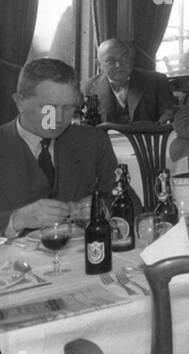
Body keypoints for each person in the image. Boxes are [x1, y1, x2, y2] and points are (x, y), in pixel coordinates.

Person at [1, 58, 116, 238]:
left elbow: (128, 200)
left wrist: (103, 210)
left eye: (69, 107)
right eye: (49, 107)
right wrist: (16, 219)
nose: (59, 118)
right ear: (19, 101)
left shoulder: (93, 141)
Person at [83, 39, 176, 125]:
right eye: (110, 61)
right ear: (99, 65)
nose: (119, 65)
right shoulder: (89, 87)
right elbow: (89, 124)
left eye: (124, 57)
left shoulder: (157, 81)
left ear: (132, 58)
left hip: (148, 140)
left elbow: (168, 114)